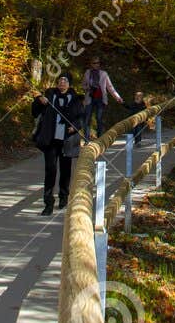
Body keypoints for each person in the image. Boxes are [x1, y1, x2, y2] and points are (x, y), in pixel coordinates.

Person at [31, 71, 83, 216]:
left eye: (65, 81)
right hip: (50, 140)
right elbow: (35, 112)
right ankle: (48, 203)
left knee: (65, 171)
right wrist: (38, 100)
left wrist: (75, 127)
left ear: (69, 84)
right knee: (50, 170)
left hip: (67, 140)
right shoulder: (49, 95)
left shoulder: (75, 99)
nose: (62, 83)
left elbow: (81, 118)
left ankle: (63, 197)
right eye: (60, 80)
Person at [81, 56, 123, 141]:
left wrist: (118, 97)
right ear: (91, 64)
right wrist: (88, 88)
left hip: (100, 99)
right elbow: (83, 85)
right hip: (90, 98)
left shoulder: (104, 74)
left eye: (98, 63)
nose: (96, 65)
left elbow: (110, 87)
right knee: (87, 118)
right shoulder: (87, 73)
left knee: (99, 118)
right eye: (94, 63)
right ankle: (86, 139)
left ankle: (99, 139)